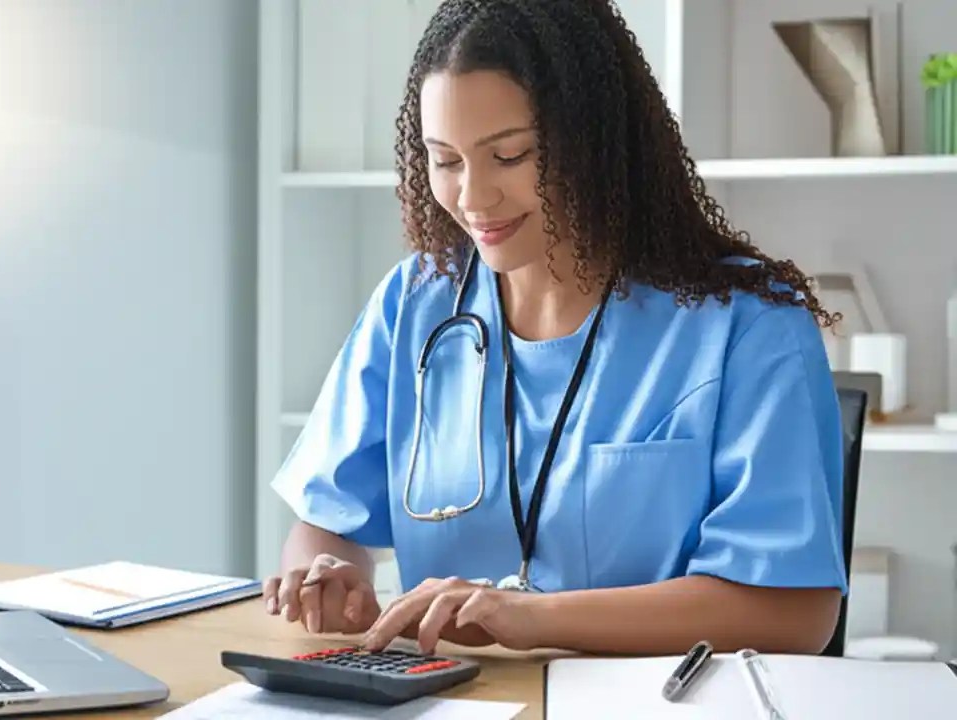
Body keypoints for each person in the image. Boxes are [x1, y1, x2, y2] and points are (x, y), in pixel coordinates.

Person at [262, 0, 848, 659]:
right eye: (446, 161)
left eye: (509, 156)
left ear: (595, 141)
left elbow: (794, 612)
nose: (473, 198)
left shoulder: (748, 326)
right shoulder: (415, 304)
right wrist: (328, 573)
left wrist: (532, 617)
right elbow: (325, 523)